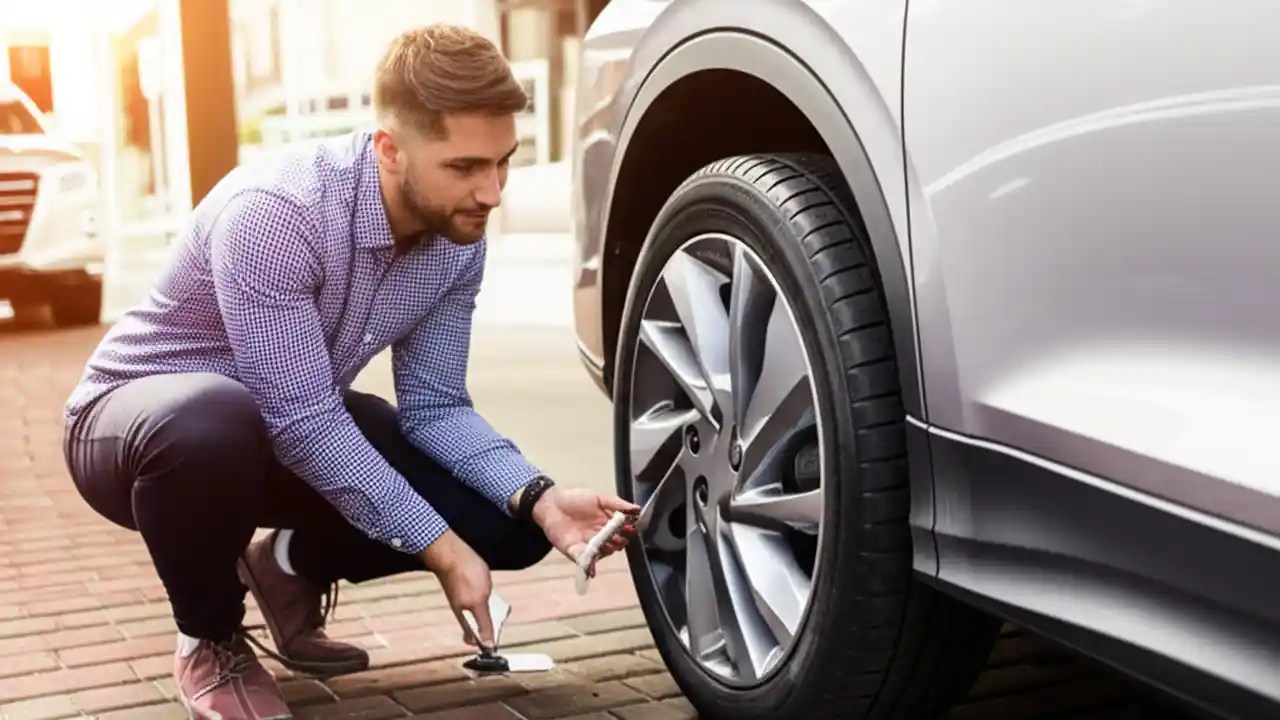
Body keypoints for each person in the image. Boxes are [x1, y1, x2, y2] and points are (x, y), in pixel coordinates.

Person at [61, 23, 638, 720]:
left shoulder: (457, 237)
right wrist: (443, 553)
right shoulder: (279, 213)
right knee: (214, 423)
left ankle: (288, 565)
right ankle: (209, 637)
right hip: (139, 430)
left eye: (503, 162)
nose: (491, 192)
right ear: (390, 149)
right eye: (464, 167)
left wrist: (540, 496)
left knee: (510, 523)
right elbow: (304, 424)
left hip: (285, 424)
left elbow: (436, 408)